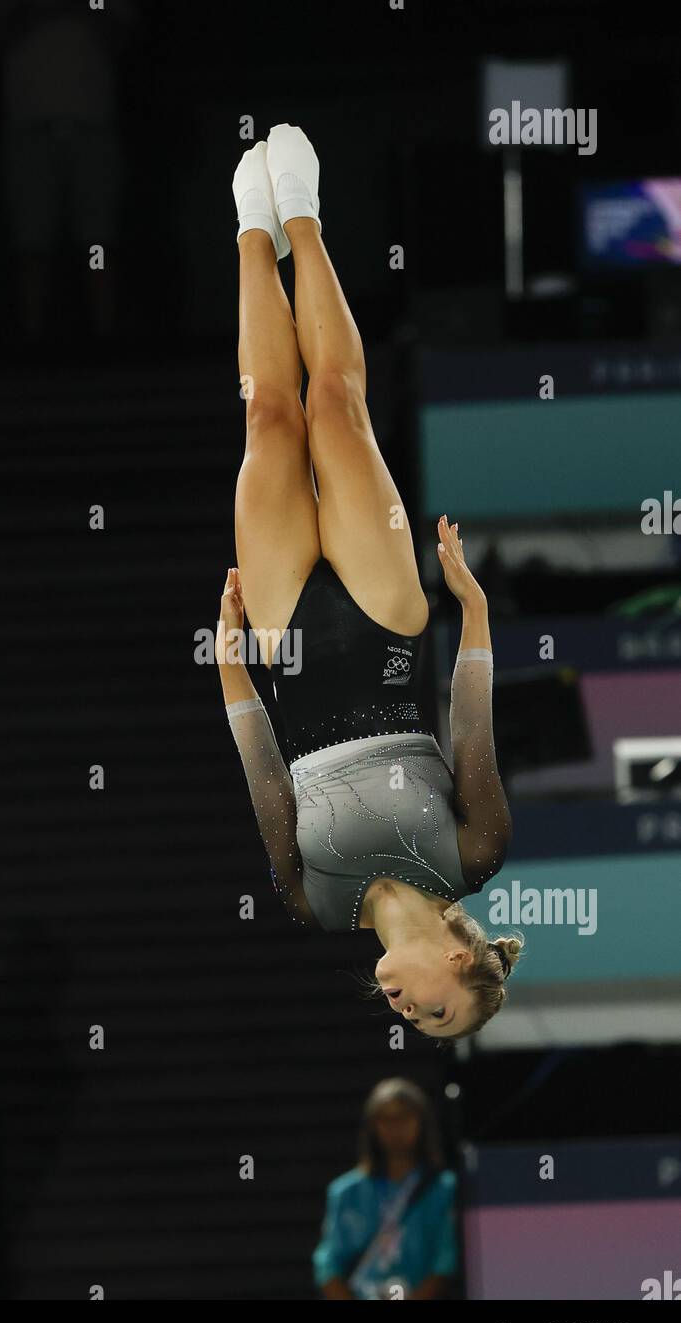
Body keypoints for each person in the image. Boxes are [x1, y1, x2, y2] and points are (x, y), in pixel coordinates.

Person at [216, 125, 519, 1038]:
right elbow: (471, 730)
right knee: (335, 407)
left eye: (416, 1023)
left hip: (287, 644)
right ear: (460, 959)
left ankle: (250, 231)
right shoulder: (476, 856)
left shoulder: (313, 905)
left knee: (269, 422)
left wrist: (232, 670)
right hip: (387, 630)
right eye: (434, 1011)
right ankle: (303, 215)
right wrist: (472, 613)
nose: (405, 1011)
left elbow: (269, 785)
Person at [313, 1078, 459, 1300]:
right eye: (385, 1119)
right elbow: (327, 1264)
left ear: (422, 1123)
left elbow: (445, 1263)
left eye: (404, 1117)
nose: (395, 1127)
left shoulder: (443, 1188)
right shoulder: (345, 1192)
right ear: (372, 1126)